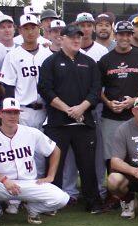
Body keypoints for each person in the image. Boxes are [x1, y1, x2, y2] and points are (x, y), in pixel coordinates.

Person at [37, 24, 105, 212]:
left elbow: (95, 90)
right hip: (58, 123)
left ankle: (93, 202)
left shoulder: (89, 62)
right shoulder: (50, 62)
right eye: (72, 37)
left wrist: (82, 108)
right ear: (62, 38)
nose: (77, 40)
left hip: (84, 122)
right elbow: (45, 89)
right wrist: (68, 109)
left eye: (79, 37)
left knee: (87, 165)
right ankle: (52, 202)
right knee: (55, 165)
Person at [0, 98, 69, 226]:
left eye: (16, 113)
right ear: (0, 114)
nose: (12, 116)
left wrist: (51, 176)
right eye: (8, 112)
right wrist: (4, 180)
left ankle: (33, 210)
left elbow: (55, 150)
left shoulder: (32, 133)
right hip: (2, 184)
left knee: (62, 199)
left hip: (29, 183)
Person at [99, 21, 138, 170]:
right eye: (121, 34)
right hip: (111, 115)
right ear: (115, 35)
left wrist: (135, 101)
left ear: (132, 36)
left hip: (136, 115)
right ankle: (116, 191)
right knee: (112, 156)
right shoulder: (106, 59)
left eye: (128, 34)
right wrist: (108, 103)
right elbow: (98, 88)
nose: (125, 37)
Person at [0, 14, 50, 128]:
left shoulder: (48, 54)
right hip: (23, 111)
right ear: (20, 30)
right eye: (26, 28)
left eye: (33, 28)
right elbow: (8, 87)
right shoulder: (12, 55)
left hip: (46, 110)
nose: (30, 32)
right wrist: (12, 112)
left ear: (39, 28)